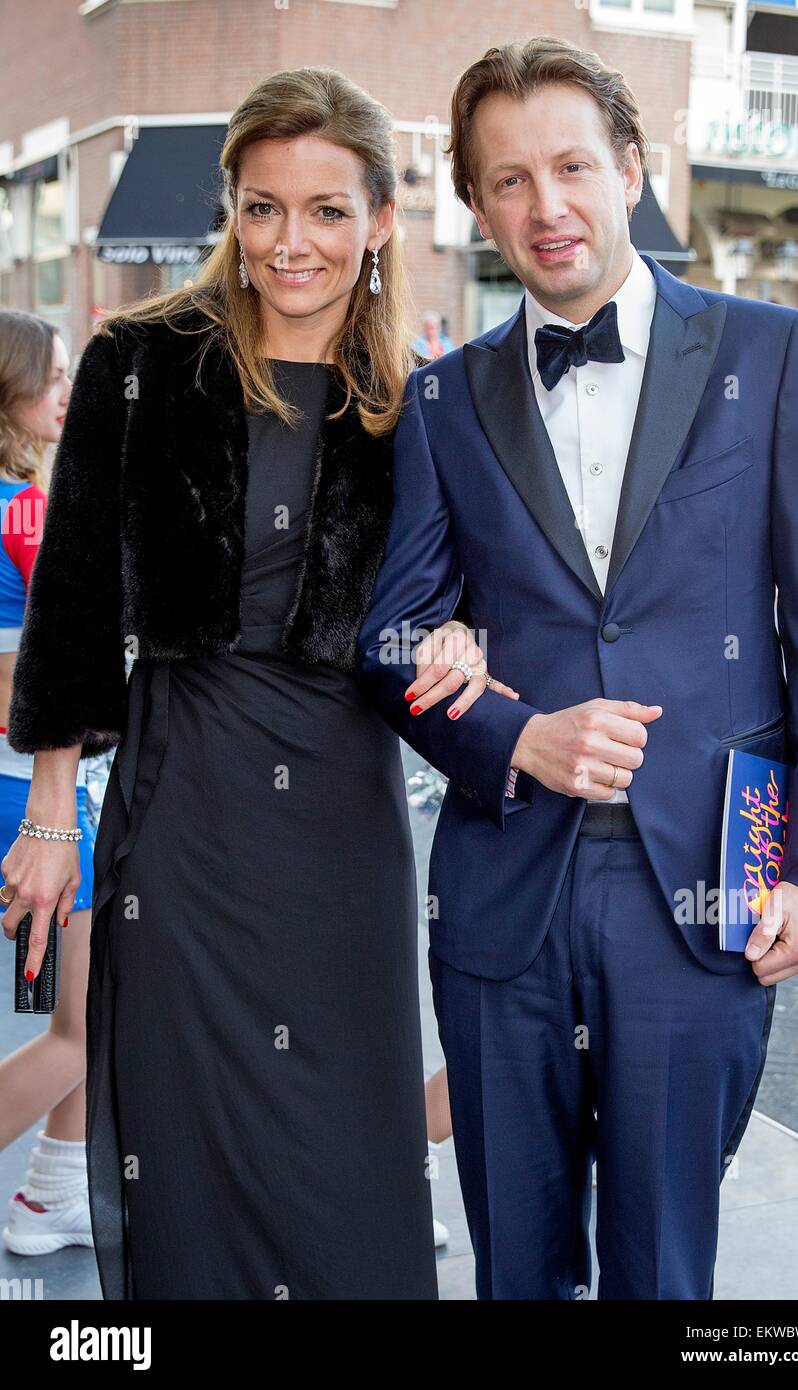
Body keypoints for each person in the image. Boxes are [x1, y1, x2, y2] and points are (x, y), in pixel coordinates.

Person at [358, 37, 798, 1300]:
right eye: (509, 180)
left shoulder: (773, 352)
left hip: (700, 893)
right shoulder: (439, 398)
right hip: (499, 896)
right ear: (475, 204)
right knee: (513, 1268)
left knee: (663, 1271)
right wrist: (511, 735)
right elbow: (389, 640)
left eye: (571, 166)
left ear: (629, 168)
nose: (546, 206)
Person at [0, 66, 502, 1301]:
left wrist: (467, 641)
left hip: (344, 818)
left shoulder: (422, 401)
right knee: (183, 1137)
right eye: (264, 206)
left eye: (328, 210)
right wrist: (54, 819)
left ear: (381, 220)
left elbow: (473, 593)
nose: (293, 241)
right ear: (231, 206)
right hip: (182, 804)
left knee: (346, 1137)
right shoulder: (137, 361)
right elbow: (69, 605)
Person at [0, 311, 97, 1256]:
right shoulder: (21, 516)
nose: (66, 392)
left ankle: (44, 1199)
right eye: (53, 376)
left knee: (85, 1013)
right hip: (43, 804)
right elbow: (24, 674)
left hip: (37, 796)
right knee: (77, 1023)